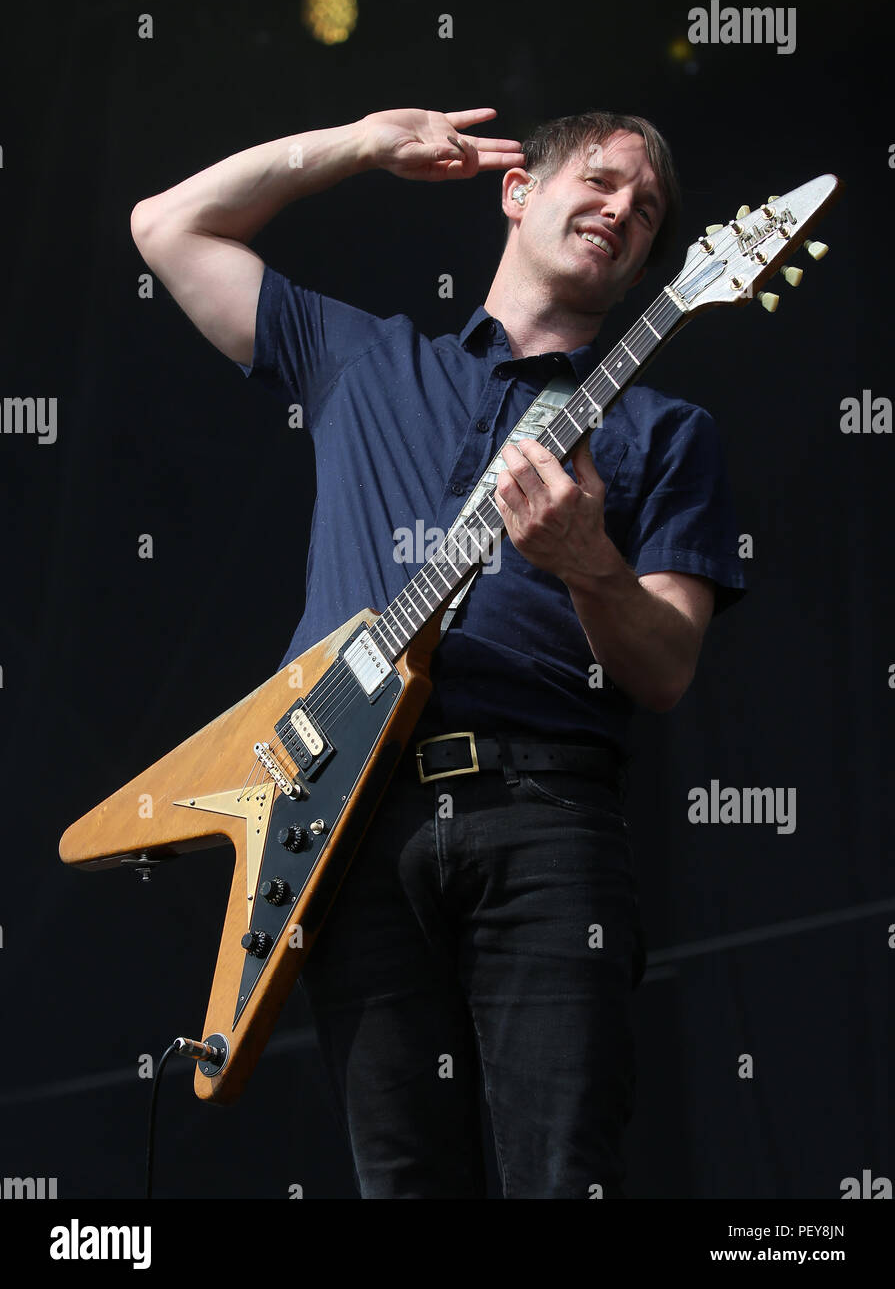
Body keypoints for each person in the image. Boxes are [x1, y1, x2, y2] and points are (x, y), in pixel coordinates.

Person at [130, 106, 746, 1199]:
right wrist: (361, 145)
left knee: (561, 1175)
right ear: (517, 193)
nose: (622, 211)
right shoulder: (364, 358)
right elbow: (168, 226)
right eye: (600, 182)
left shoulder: (662, 429)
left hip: (542, 813)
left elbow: (664, 668)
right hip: (347, 823)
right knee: (401, 1182)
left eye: (646, 212)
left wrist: (587, 561)